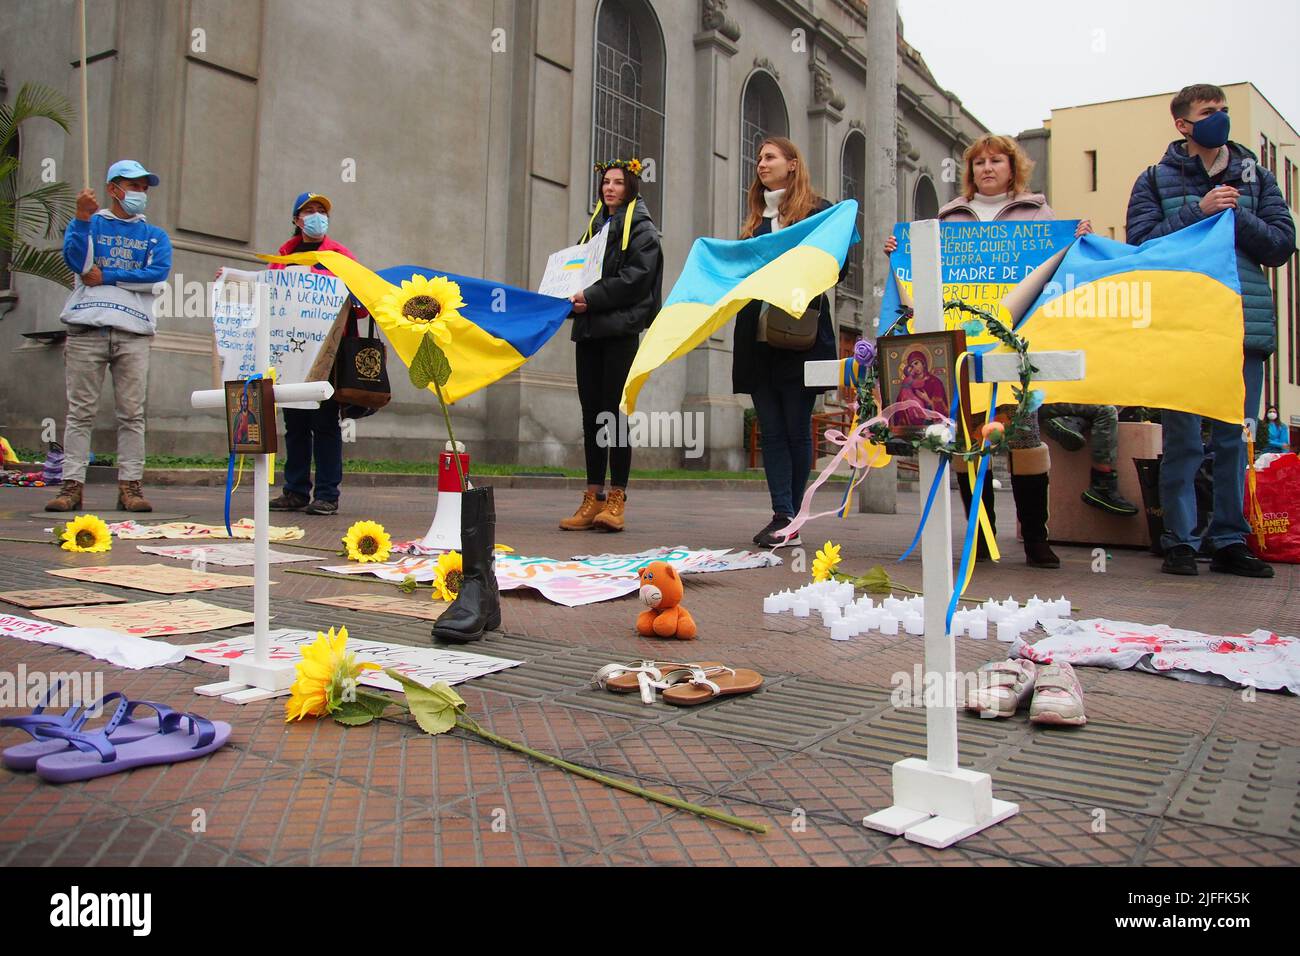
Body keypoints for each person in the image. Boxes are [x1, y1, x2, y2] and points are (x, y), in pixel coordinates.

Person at [884, 135, 1091, 568]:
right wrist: (899, 252)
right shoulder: (947, 216)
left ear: (1013, 168)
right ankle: (981, 537)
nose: (987, 168)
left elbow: (1057, 270)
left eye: (997, 160)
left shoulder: (1038, 213)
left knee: (1024, 436)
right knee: (967, 437)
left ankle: (1036, 537)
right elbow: (924, 273)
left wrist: (1079, 240)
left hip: (1018, 343)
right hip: (963, 346)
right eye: (979, 162)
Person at [1126, 84, 1296, 577]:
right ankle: (1179, 540)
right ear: (1183, 125)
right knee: (1181, 439)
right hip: (1182, 325)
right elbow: (1142, 245)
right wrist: (1196, 212)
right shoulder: (1155, 179)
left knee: (1233, 439)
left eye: (1222, 110)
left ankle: (1229, 539)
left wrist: (1235, 214)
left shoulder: (1257, 177)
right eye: (1207, 112)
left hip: (1242, 326)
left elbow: (1281, 244)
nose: (1218, 118)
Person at [733, 137, 844, 549]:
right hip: (759, 338)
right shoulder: (754, 221)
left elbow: (838, 266)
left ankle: (792, 516)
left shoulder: (818, 212)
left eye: (770, 157)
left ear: (793, 164)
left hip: (802, 334)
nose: (761, 163)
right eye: (759, 157)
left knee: (797, 429)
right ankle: (783, 514)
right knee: (772, 432)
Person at [47, 160, 173, 514]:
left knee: (132, 414)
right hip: (87, 328)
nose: (140, 194)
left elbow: (156, 276)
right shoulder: (90, 221)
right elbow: (78, 263)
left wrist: (108, 276)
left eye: (144, 188)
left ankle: (131, 486)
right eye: (134, 186)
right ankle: (71, 486)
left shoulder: (155, 236)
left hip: (133, 334)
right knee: (79, 413)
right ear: (114, 188)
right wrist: (81, 219)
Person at [560, 159, 664, 533]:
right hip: (589, 331)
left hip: (620, 332)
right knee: (591, 416)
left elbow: (636, 280)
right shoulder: (595, 229)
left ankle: (616, 497)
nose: (610, 188)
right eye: (606, 182)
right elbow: (578, 268)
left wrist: (590, 295)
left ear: (631, 187)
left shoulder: (643, 230)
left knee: (615, 416)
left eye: (618, 182)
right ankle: (592, 497)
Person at [265, 192, 362, 516]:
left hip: (326, 356)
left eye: (322, 210)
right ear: (297, 219)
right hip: (291, 355)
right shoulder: (282, 257)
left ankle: (326, 494)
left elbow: (361, 305)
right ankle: (294, 491)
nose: (318, 215)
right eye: (310, 210)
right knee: (294, 423)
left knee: (324, 423)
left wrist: (354, 295)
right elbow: (269, 297)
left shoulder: (340, 256)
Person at [1040, 404, 1139, 515]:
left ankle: (1072, 421)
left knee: (1113, 401)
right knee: (1106, 410)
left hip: (1041, 399)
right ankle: (1103, 484)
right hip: (1037, 400)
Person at [896, 351, 949, 428]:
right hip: (911, 429)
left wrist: (927, 399)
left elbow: (942, 409)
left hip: (932, 428)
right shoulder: (909, 382)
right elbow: (900, 408)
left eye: (916, 363)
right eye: (912, 366)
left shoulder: (935, 382)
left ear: (923, 363)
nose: (915, 367)